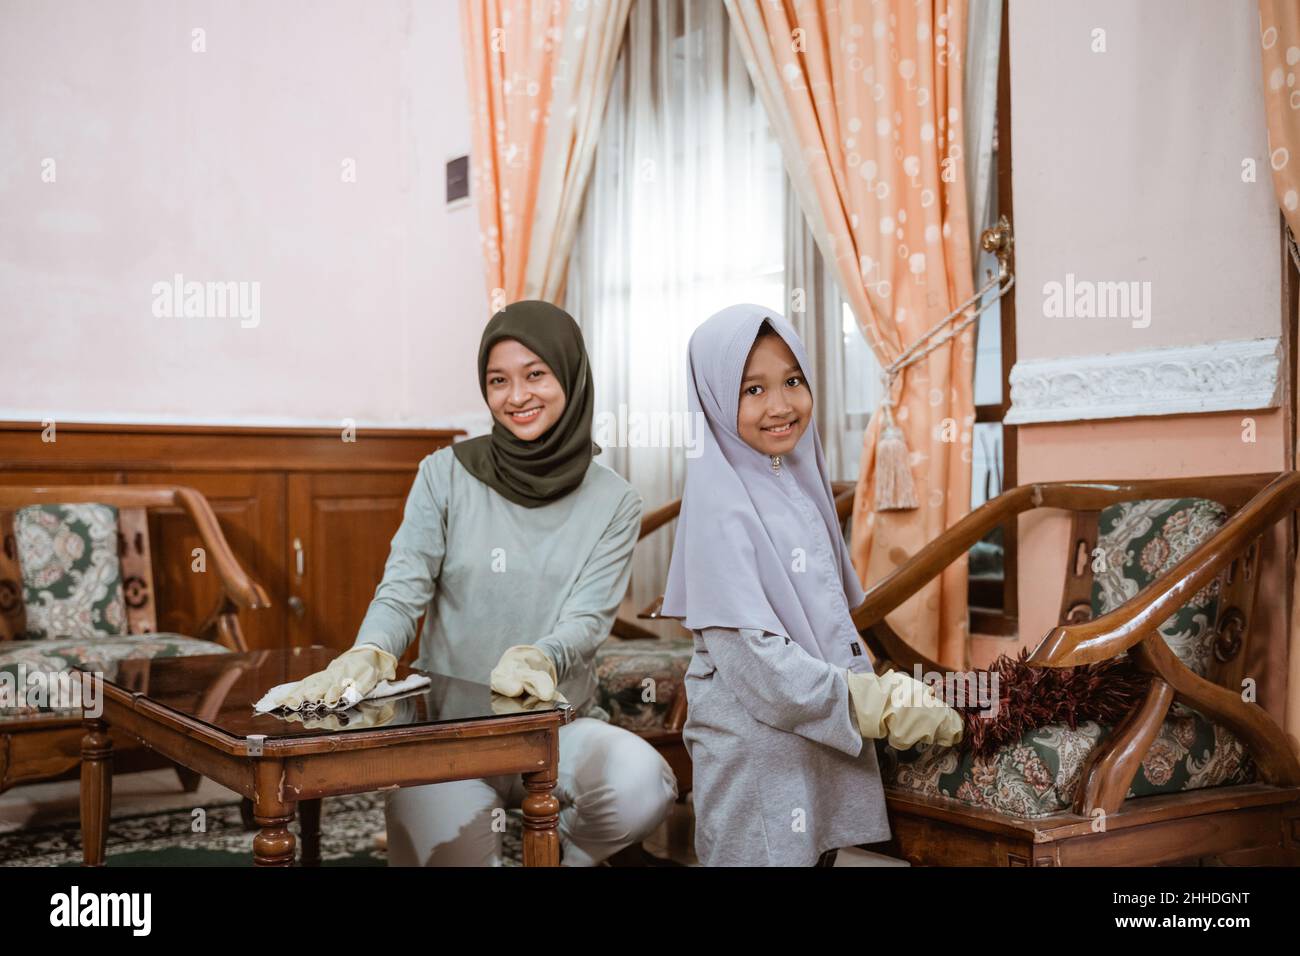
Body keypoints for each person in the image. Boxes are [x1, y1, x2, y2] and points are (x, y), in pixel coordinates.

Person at [280, 300, 678, 866]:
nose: (517, 396)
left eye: (535, 374)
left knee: (645, 787)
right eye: (499, 381)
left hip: (560, 730)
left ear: (570, 375)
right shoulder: (443, 474)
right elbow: (402, 591)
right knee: (449, 855)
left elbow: (587, 620)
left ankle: (562, 853)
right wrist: (370, 650)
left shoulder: (615, 501)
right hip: (450, 740)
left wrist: (541, 658)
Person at [660, 304, 963, 867]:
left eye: (793, 381)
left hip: (812, 736)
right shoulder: (718, 509)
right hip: (759, 753)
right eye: (753, 389)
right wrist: (869, 701)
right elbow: (755, 662)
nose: (780, 406)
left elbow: (823, 611)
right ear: (715, 399)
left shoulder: (794, 480)